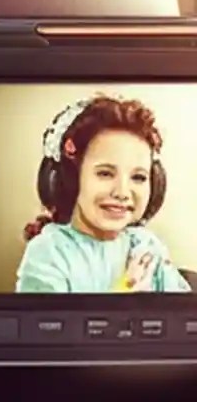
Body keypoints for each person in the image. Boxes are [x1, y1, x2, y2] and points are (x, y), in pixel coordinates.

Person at [15, 95, 190, 293]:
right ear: (72, 177)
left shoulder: (146, 246)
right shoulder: (49, 252)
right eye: (105, 174)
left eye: (139, 177)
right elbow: (44, 322)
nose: (122, 192)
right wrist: (124, 294)